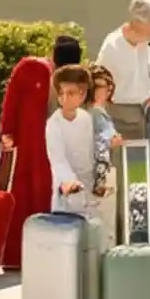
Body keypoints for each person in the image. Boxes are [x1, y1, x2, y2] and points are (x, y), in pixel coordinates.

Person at [0, 34, 84, 271]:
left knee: (46, 197)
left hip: (53, 145)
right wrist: (8, 131)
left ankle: (46, 257)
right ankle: (15, 256)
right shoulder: (31, 67)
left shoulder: (71, 78)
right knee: (24, 196)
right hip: (30, 144)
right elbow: (12, 99)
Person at [94, 0, 150, 140]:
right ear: (139, 22)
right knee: (120, 161)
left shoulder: (145, 45)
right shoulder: (113, 46)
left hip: (144, 114)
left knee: (140, 163)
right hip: (119, 117)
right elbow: (99, 84)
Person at [45, 65, 100, 217]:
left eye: (71, 93)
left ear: (82, 95)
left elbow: (91, 152)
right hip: (67, 189)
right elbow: (57, 159)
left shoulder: (86, 119)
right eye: (61, 93)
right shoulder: (53, 125)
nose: (65, 98)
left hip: (88, 188)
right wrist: (69, 182)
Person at [87, 65, 123, 250]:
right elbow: (100, 141)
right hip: (99, 172)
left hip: (103, 169)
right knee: (103, 221)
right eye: (101, 85)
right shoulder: (95, 113)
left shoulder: (98, 112)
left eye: (108, 85)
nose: (106, 90)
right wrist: (113, 141)